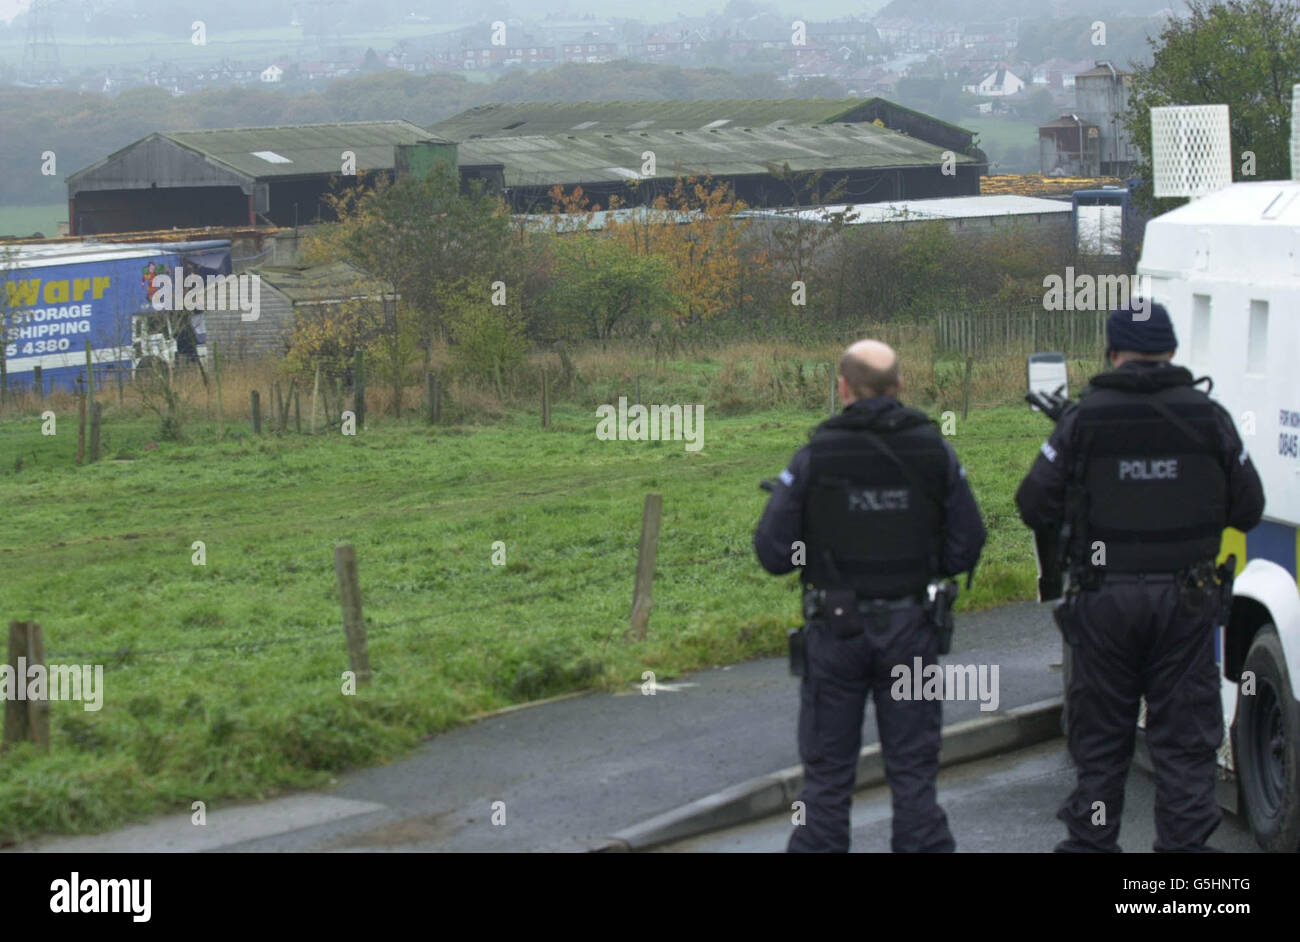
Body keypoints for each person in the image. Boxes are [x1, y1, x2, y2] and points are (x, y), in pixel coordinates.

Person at [1015, 300, 1265, 853]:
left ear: (1113, 353)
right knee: (1183, 751)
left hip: (1104, 606)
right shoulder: (1210, 417)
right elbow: (1249, 507)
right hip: (1187, 603)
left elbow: (1033, 502)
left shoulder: (1083, 419)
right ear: (1173, 351)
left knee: (1101, 748)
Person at [754, 339, 986, 853]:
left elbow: (772, 552)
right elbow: (968, 541)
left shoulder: (817, 455)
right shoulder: (933, 450)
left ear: (842, 388)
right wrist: (923, 567)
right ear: (901, 385)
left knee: (828, 780)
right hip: (912, 628)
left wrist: (818, 557)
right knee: (913, 775)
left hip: (836, 632)